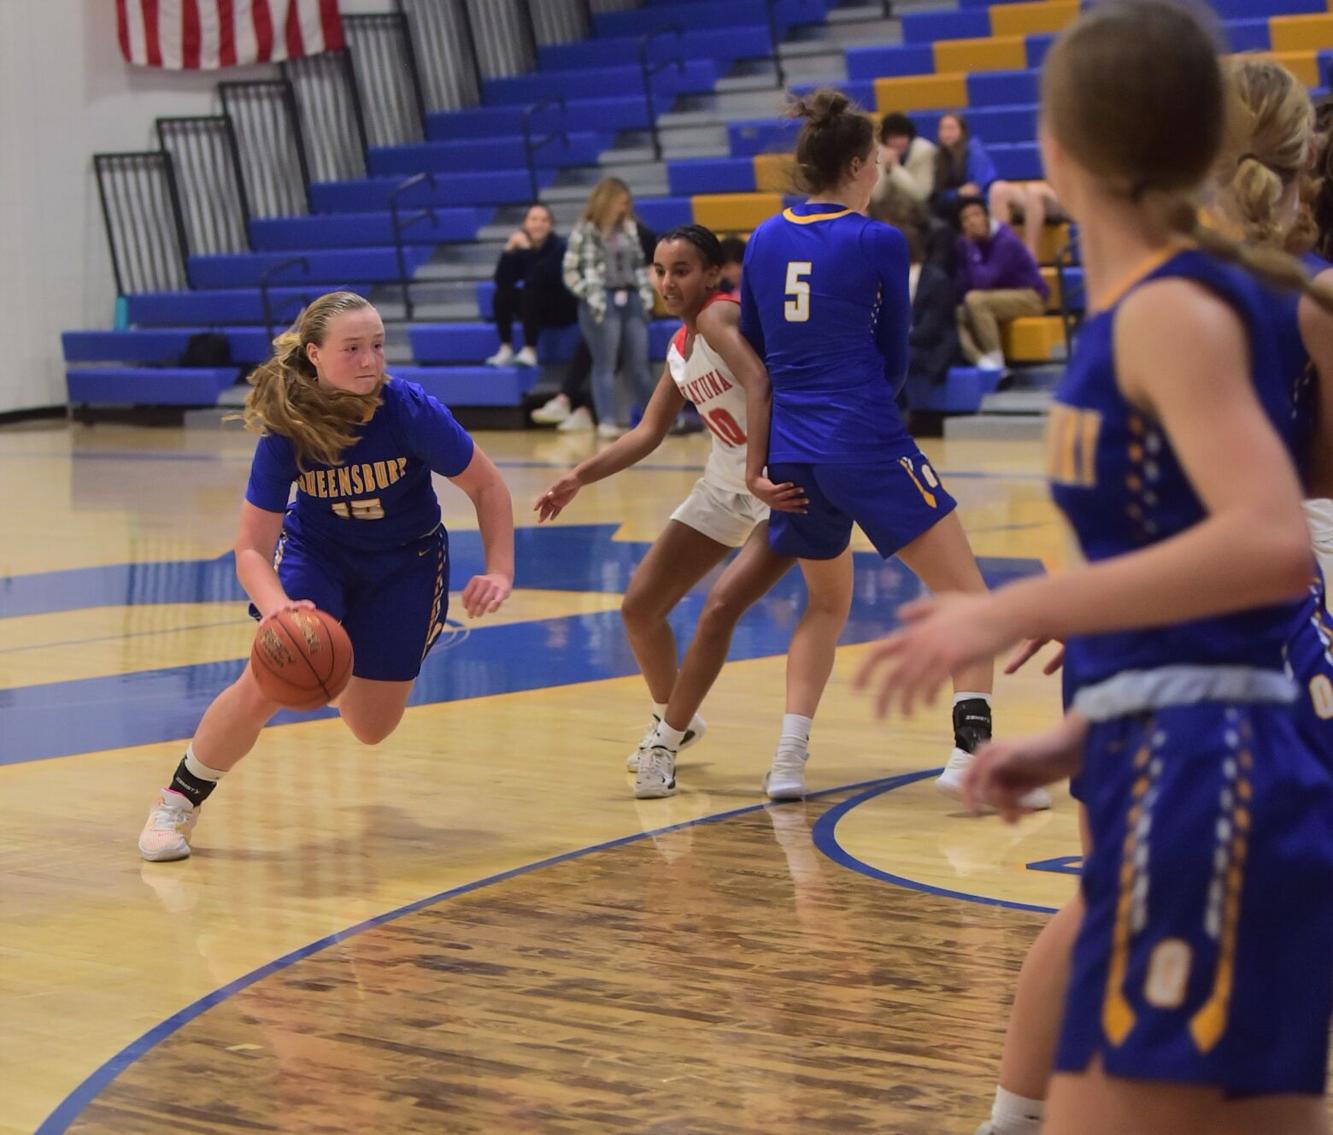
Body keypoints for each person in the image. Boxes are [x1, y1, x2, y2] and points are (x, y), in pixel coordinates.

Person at [855, 9, 1333, 1133]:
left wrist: (1018, 604)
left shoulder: (1176, 310)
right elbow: (1204, 577)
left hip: (1214, 782)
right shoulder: (1145, 308)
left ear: (1064, 153)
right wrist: (1083, 729)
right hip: (1183, 738)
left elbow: (1271, 544)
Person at [737, 89, 1048, 807]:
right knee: (968, 596)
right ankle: (973, 755)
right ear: (853, 165)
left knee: (822, 606)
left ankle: (786, 760)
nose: (878, 175)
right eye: (874, 164)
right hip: (863, 436)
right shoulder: (876, 238)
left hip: (791, 449)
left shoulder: (761, 238)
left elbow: (755, 349)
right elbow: (895, 355)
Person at [138, 291, 515, 862]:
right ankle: (176, 805)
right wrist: (278, 612)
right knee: (266, 678)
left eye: (378, 347)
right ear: (314, 354)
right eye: (353, 349)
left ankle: (358, 648)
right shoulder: (288, 429)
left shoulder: (409, 411)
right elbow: (250, 551)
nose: (370, 361)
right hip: (321, 553)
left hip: (407, 561)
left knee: (370, 727)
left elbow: (487, 486)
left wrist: (499, 568)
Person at [535, 224, 852, 801]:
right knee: (639, 608)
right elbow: (648, 431)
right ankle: (673, 718)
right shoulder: (681, 346)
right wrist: (578, 476)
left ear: (712, 274)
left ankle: (664, 744)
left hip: (774, 490)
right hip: (722, 485)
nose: (667, 281)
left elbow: (760, 382)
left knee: (719, 607)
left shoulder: (717, 317)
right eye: (659, 270)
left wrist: (758, 471)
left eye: (681, 270)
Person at [562, 177, 656, 438]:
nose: (625, 208)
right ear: (608, 201)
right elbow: (570, 270)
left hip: (633, 298)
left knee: (639, 363)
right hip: (601, 303)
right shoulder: (585, 230)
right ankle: (607, 419)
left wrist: (646, 296)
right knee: (604, 362)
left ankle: (654, 420)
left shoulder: (631, 228)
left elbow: (639, 264)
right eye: (621, 203)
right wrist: (589, 293)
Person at [954, 195, 1049, 372]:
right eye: (965, 219)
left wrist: (971, 249)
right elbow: (965, 284)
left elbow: (983, 282)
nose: (972, 222)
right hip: (998, 296)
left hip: (1031, 296)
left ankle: (998, 365)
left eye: (976, 215)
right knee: (956, 313)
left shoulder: (1005, 241)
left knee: (975, 300)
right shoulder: (966, 245)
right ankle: (982, 361)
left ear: (987, 216)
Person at [485, 202, 578, 369]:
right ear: (525, 224)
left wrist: (528, 251)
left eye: (544, 220)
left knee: (531, 290)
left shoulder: (559, 247)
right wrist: (508, 250)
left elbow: (539, 278)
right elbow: (501, 280)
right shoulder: (519, 246)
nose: (538, 225)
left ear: (551, 225)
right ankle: (506, 348)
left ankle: (530, 350)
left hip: (560, 309)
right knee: (502, 293)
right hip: (533, 309)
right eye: (533, 219)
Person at [931, 112, 999, 224]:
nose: (946, 133)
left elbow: (977, 188)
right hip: (952, 208)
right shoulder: (939, 157)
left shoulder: (975, 152)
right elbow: (938, 194)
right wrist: (957, 193)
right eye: (943, 129)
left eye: (951, 128)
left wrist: (959, 194)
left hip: (979, 204)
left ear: (962, 131)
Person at [871, 111, 938, 213]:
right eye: (892, 138)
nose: (897, 142)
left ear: (910, 137)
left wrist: (894, 168)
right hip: (886, 211)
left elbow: (921, 195)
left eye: (902, 137)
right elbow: (876, 196)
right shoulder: (877, 152)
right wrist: (883, 165)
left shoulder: (924, 151)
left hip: (918, 211)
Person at [988, 180, 1067, 262]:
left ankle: (1029, 260)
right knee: (999, 190)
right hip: (1052, 192)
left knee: (1034, 191)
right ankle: (1001, 259)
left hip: (1073, 201)